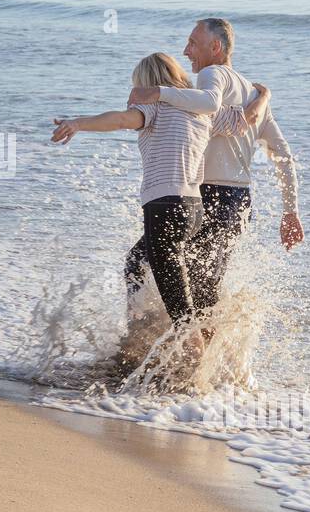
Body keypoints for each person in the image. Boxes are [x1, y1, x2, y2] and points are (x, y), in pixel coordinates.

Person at [52, 52, 263, 332]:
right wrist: (266, 94)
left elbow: (120, 120)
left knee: (182, 318)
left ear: (147, 83)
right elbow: (250, 116)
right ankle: (143, 337)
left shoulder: (157, 107)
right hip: (193, 211)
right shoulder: (205, 113)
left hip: (164, 208)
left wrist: (78, 123)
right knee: (137, 264)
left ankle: (186, 361)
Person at [128, 18, 300, 324]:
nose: (186, 51)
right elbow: (283, 156)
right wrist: (290, 212)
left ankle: (153, 345)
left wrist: (158, 93)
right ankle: (193, 354)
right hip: (238, 204)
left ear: (216, 47)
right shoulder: (253, 94)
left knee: (145, 266)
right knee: (201, 288)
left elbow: (208, 103)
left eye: (193, 43)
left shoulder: (212, 74)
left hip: (207, 196)